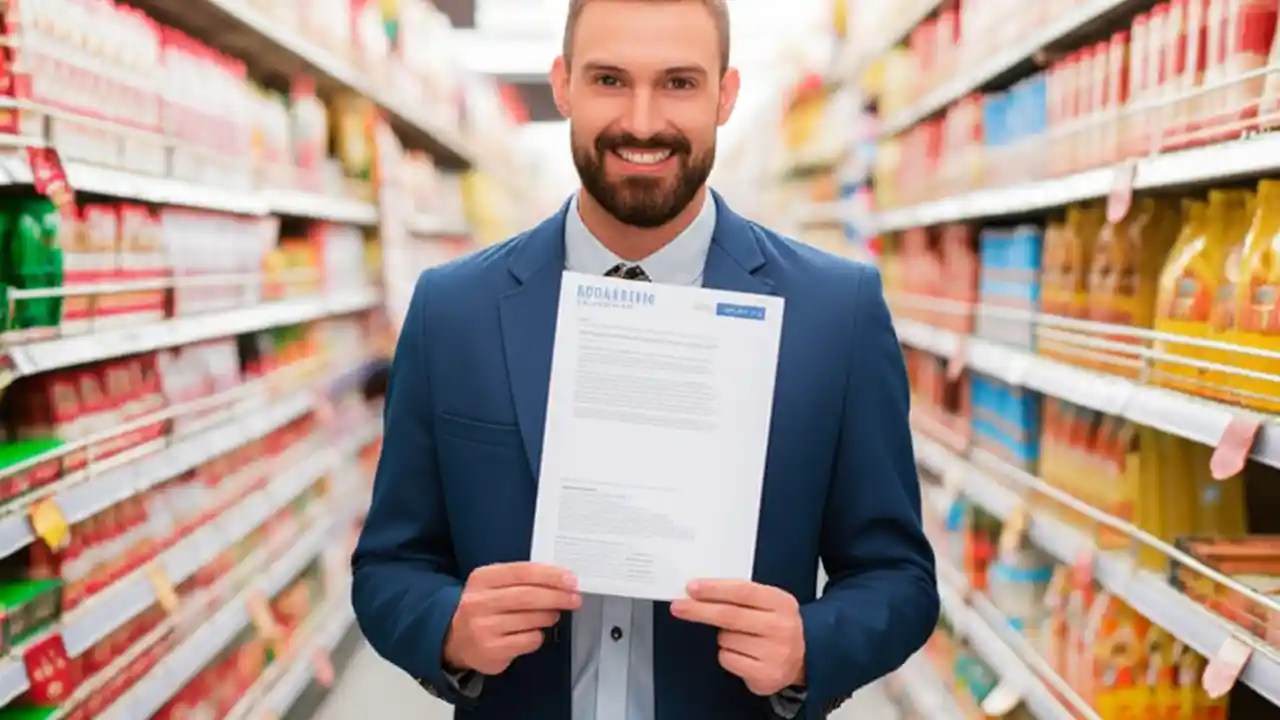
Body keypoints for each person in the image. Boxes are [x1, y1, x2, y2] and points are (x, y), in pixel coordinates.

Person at [350, 1, 939, 718]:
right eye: (608, 80)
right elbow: (387, 566)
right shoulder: (453, 309)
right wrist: (447, 628)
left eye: (679, 84)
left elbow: (898, 577)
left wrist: (810, 646)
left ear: (726, 95)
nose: (641, 120)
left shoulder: (834, 313)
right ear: (563, 84)